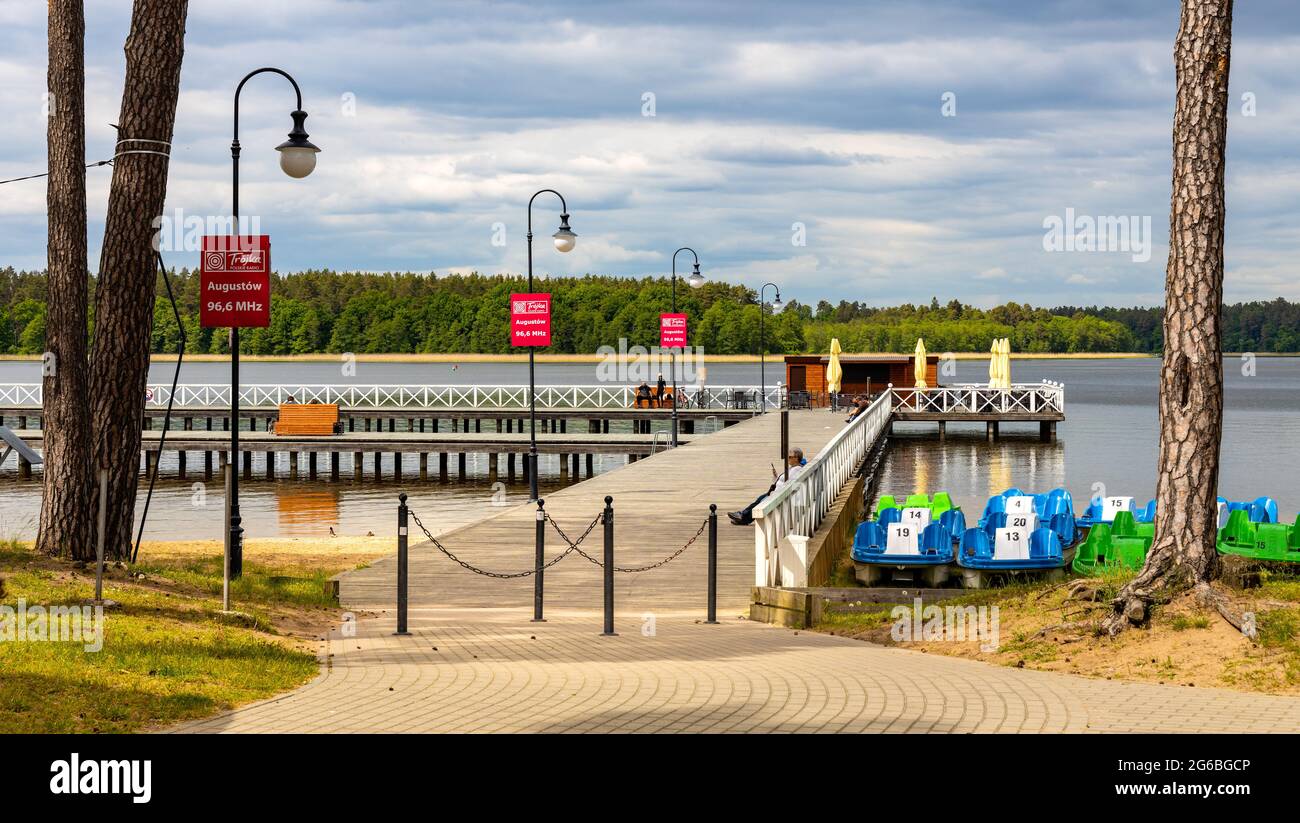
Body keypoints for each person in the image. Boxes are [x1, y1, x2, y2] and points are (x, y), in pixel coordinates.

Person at [728, 447, 805, 526]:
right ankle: (743, 516)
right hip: (776, 493)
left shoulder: (796, 469)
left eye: (789, 457)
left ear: (796, 458)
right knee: (759, 500)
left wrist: (775, 492)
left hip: (780, 495)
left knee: (761, 502)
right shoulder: (792, 468)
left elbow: (788, 484)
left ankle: (743, 518)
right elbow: (783, 482)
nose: (787, 459)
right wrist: (776, 476)